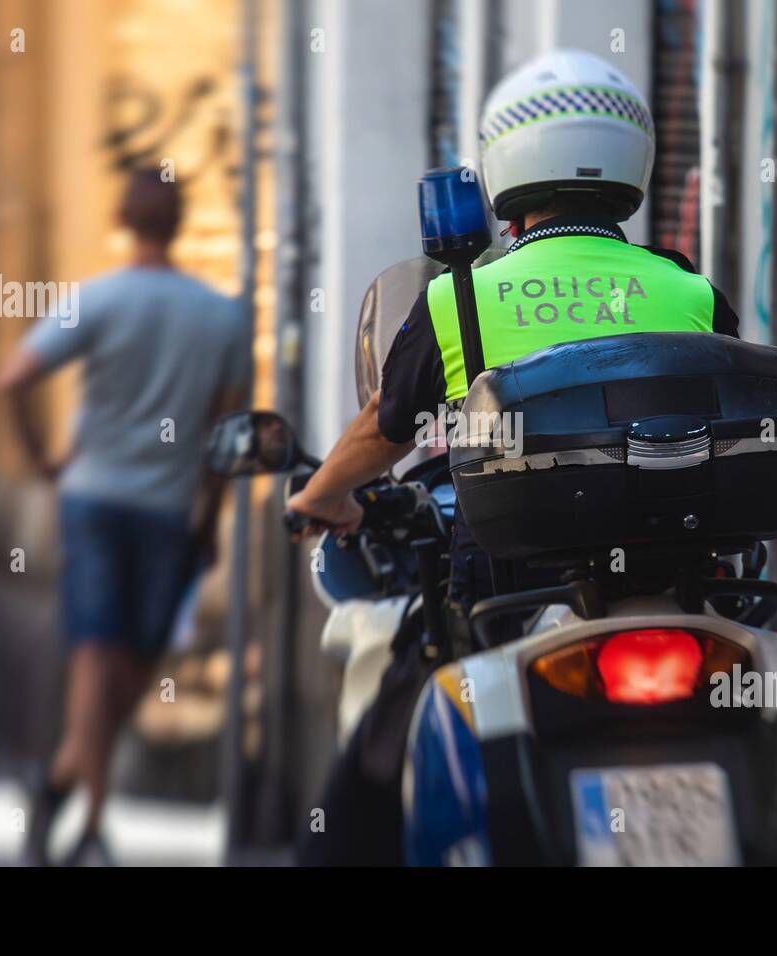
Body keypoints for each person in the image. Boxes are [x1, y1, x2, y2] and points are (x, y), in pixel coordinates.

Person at [287, 49, 740, 865]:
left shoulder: (460, 297)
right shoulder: (689, 288)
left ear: (505, 171)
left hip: (504, 594)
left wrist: (318, 496)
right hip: (679, 585)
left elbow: (386, 428)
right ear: (634, 159)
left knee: (356, 801)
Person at [0, 169, 251, 865]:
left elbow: (11, 379)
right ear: (178, 221)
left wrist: (41, 460)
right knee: (124, 660)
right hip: (167, 510)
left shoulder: (97, 301)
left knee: (107, 661)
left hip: (94, 498)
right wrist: (210, 519)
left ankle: (55, 787)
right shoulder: (222, 316)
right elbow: (224, 436)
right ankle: (92, 825)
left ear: (122, 219)